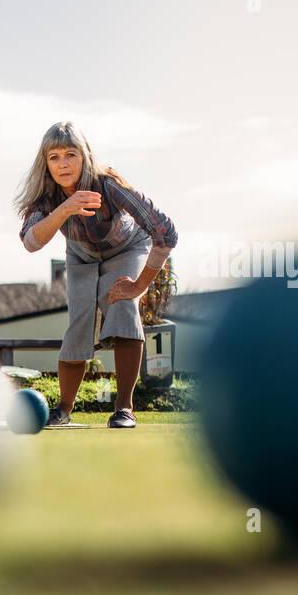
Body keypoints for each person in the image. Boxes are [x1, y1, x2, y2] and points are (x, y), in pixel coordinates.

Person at [15, 121, 177, 428]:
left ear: (85, 155)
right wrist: (66, 209)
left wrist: (139, 286)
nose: (63, 164)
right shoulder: (45, 196)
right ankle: (63, 410)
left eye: (71, 154)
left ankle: (124, 409)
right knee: (79, 324)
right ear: (45, 163)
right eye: (55, 157)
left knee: (121, 307)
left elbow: (165, 233)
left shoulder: (108, 184)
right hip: (81, 256)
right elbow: (30, 242)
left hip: (126, 249)